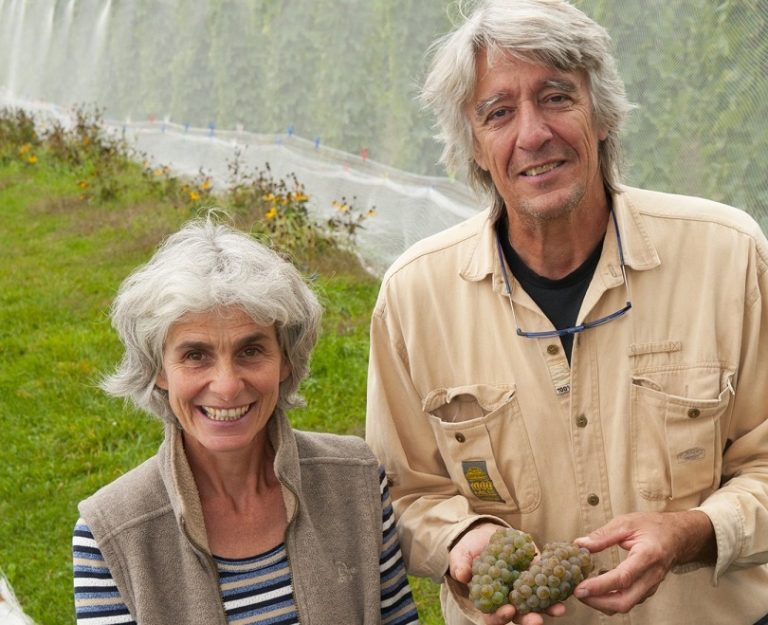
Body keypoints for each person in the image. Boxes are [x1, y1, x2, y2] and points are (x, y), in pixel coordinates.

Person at [364, 1, 768, 624]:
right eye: (498, 113)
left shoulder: (729, 256)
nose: (532, 134)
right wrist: (462, 542)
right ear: (473, 145)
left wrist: (690, 531)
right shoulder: (416, 298)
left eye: (556, 98)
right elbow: (407, 491)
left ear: (601, 114)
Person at [72, 216, 421, 625]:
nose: (226, 385)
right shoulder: (109, 534)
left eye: (250, 350)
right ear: (159, 370)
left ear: (286, 361)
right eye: (196, 355)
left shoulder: (357, 480)